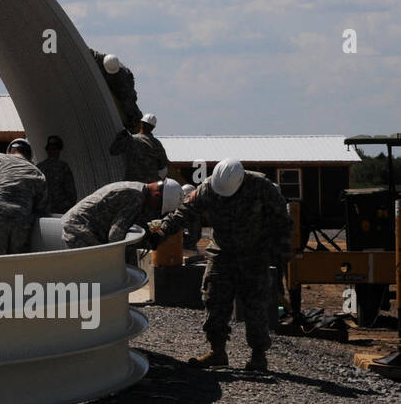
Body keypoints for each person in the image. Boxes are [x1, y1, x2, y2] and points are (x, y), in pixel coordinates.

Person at [148, 159, 291, 372]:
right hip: (222, 251)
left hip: (254, 253)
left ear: (241, 181)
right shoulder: (208, 188)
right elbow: (185, 212)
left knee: (255, 305)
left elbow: (282, 221)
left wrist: (279, 253)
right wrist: (161, 230)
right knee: (213, 298)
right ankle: (217, 352)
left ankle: (258, 356)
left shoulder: (262, 187)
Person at [61, 179, 182, 261]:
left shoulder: (138, 189)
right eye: (157, 207)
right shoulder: (136, 197)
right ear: (156, 195)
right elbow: (115, 237)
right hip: (79, 228)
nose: (153, 209)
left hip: (80, 225)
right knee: (100, 267)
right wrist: (141, 243)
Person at [0, 138, 48, 256]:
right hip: (21, 222)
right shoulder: (37, 173)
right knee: (16, 266)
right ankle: (16, 275)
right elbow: (41, 207)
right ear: (29, 156)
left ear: (9, 151)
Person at [89, 48, 142, 130]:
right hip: (106, 84)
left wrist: (131, 116)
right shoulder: (97, 58)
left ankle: (135, 123)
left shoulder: (125, 77)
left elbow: (129, 99)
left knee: (128, 106)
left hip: (119, 88)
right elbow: (87, 52)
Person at [110, 115, 169, 184]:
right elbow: (163, 165)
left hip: (132, 183)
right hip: (150, 186)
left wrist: (121, 135)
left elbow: (113, 150)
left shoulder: (130, 140)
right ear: (153, 128)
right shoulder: (157, 144)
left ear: (141, 124)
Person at [36, 135, 78, 214]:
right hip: (61, 211)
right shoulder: (63, 167)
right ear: (59, 150)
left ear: (47, 150)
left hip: (43, 212)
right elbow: (72, 193)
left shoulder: (39, 168)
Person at [180, 183, 202, 253]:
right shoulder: (179, 214)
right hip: (181, 250)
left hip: (190, 249)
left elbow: (198, 234)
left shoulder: (195, 214)